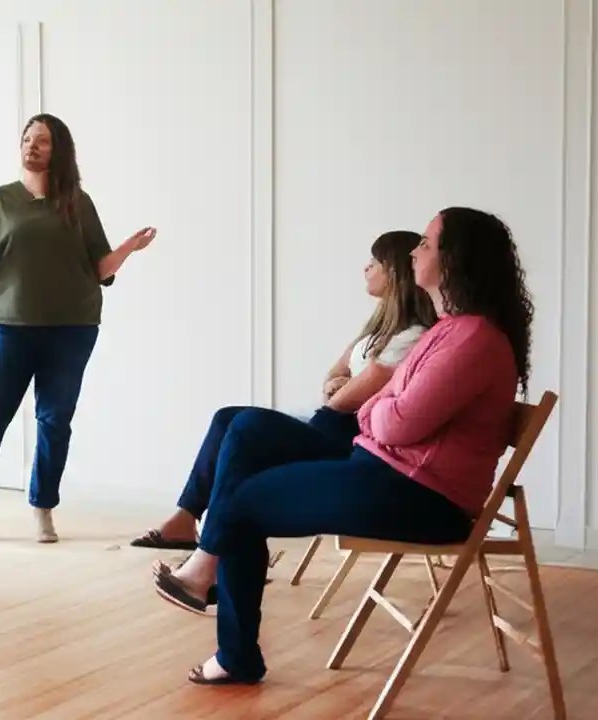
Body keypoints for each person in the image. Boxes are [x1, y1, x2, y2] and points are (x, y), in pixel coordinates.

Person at [164, 207, 533, 686]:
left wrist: (377, 412)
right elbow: (384, 403)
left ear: (453, 258)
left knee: (239, 504)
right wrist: (381, 409)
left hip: (419, 495)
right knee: (245, 441)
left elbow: (394, 418)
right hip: (387, 473)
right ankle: (212, 591)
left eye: (426, 241)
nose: (416, 249)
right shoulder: (450, 330)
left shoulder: (474, 340)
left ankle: (228, 633)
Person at [132, 230, 436, 561]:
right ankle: (188, 522)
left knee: (246, 431)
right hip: (330, 421)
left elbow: (344, 400)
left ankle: (220, 549)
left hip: (346, 436)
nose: (366, 268)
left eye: (375, 262)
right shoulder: (378, 329)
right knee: (228, 418)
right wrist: (339, 383)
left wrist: (340, 389)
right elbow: (336, 373)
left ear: (395, 272)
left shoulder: (412, 336)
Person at [0, 113, 157, 543]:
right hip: (9, 326)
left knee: (54, 420)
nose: (31, 146)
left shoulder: (78, 202)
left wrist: (127, 249)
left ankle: (43, 508)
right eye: (27, 139)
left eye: (41, 140)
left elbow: (100, 269)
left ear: (58, 149)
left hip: (72, 327)